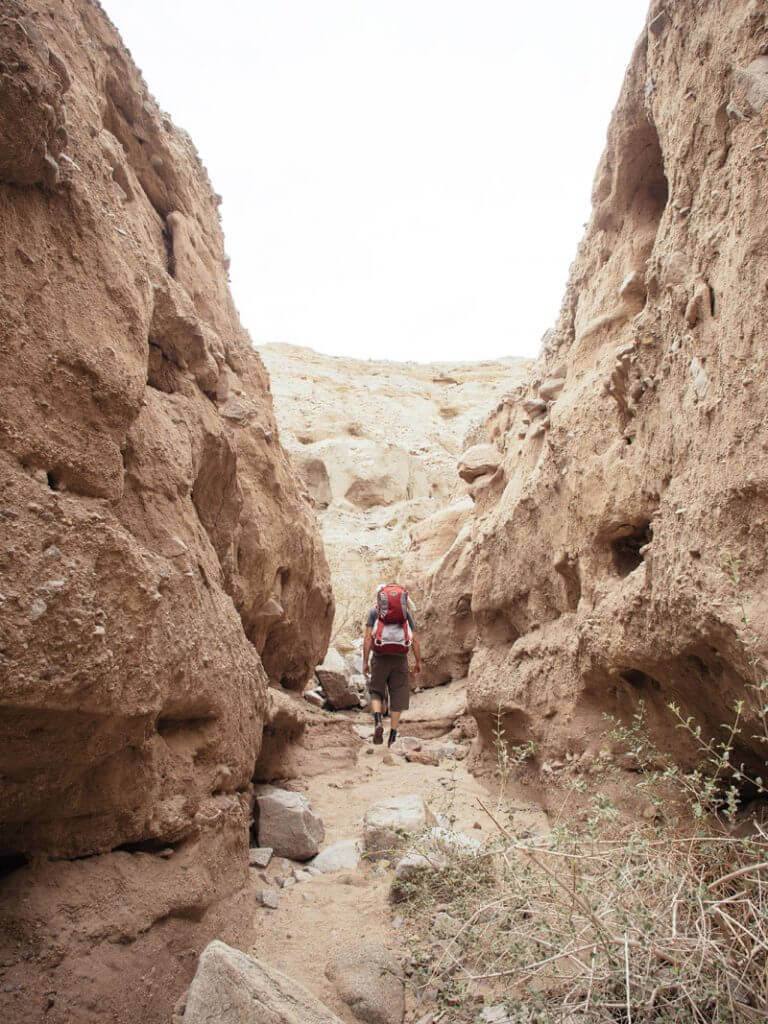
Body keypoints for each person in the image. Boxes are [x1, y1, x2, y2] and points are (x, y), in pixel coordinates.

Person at [363, 584, 421, 747]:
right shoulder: (405, 614)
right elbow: (415, 640)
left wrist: (365, 662)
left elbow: (368, 639)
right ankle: (392, 737)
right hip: (400, 659)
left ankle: (378, 722)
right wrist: (418, 661)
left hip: (380, 657)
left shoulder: (374, 612)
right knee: (398, 696)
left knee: (376, 691)